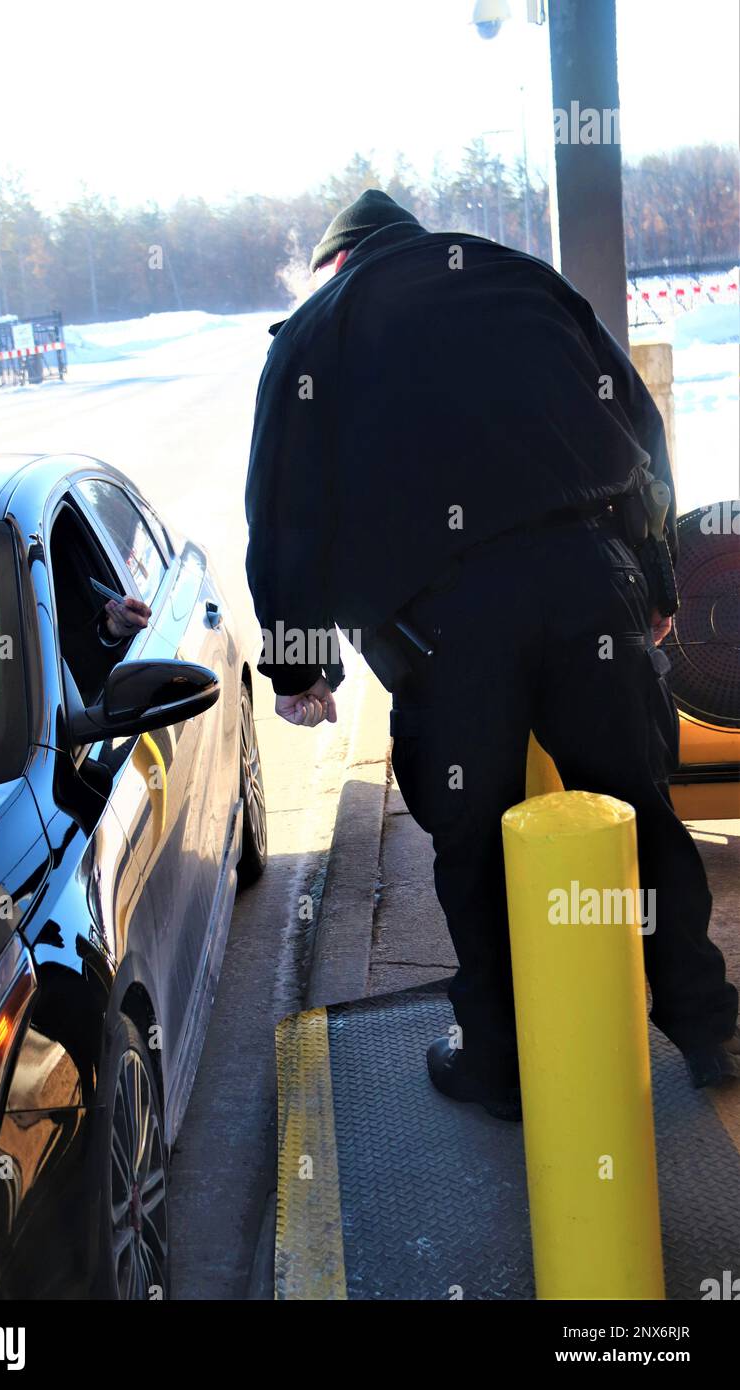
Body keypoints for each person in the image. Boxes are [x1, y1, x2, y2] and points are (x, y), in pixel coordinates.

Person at [245, 189, 739, 1120]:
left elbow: (284, 512)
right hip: (592, 579)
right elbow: (639, 432)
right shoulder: (519, 279)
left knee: (476, 842)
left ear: (335, 264)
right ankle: (708, 1022)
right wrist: (660, 580)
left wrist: (298, 663)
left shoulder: (318, 329)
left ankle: (499, 1060)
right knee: (637, 809)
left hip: (447, 620)